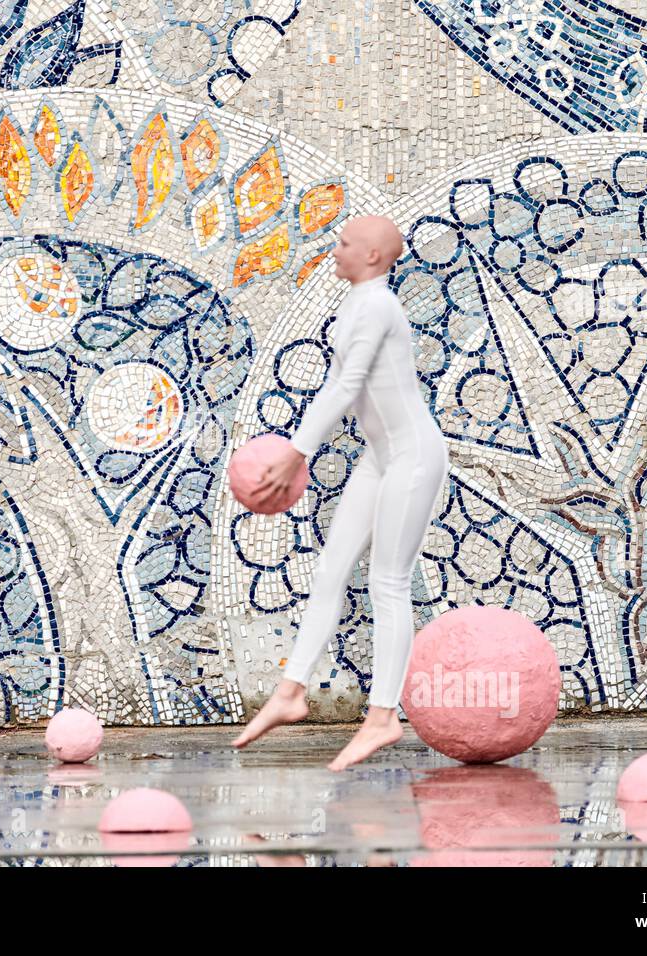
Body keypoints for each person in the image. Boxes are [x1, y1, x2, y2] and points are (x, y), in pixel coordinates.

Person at [231, 215, 450, 771]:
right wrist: (297, 447)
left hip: (413, 457)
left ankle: (382, 718)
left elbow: (348, 385)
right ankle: (291, 692)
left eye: (346, 243)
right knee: (331, 570)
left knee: (388, 582)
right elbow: (339, 385)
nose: (337, 248)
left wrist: (296, 451)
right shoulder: (356, 303)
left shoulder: (379, 306)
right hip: (381, 458)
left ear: (373, 256)